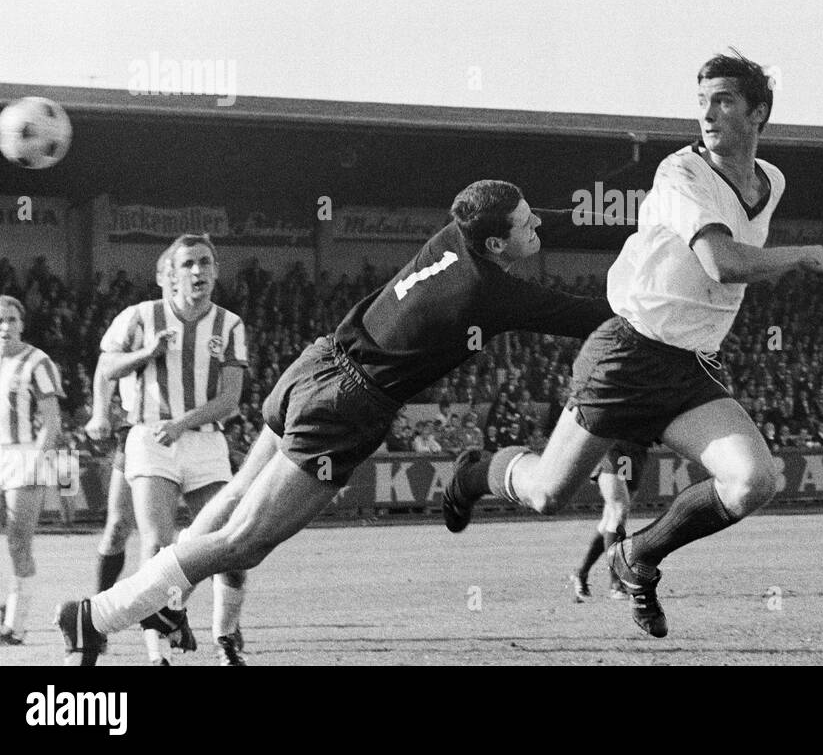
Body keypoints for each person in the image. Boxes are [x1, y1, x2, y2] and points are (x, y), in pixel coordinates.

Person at [56, 181, 613, 664]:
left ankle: (165, 603)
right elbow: (587, 315)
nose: (538, 222)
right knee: (243, 543)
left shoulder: (453, 236)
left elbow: (538, 222)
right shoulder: (490, 292)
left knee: (234, 500)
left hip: (313, 364)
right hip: (347, 405)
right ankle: (98, 615)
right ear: (495, 243)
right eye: (525, 222)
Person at [444, 50, 823, 638]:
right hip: (627, 352)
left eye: (724, 100)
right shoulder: (682, 172)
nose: (708, 113)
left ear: (759, 112)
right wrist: (801, 255)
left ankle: (637, 557)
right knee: (549, 493)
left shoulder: (770, 181)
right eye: (702, 101)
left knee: (754, 482)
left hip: (689, 365)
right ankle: (478, 472)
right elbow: (721, 263)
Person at [94, 235, 250, 666]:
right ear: (172, 273)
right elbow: (105, 367)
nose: (197, 271)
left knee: (231, 546)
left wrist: (182, 422)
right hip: (149, 439)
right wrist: (147, 353)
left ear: (216, 271)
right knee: (157, 543)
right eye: (188, 264)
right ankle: (157, 651)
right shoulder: (140, 316)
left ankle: (226, 635)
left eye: (205, 263)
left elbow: (231, 400)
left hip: (204, 441)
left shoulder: (230, 325)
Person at [84, 255, 172, 614]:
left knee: (211, 534)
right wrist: (100, 412)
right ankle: (97, 613)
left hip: (196, 436)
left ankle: (222, 624)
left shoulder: (218, 321)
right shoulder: (138, 317)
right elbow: (106, 368)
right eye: (172, 272)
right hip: (140, 433)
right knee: (119, 526)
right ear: (161, 276)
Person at [0, 296, 64, 646]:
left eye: (12, 320)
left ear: (22, 324)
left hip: (23, 455)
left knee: (17, 543)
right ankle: (3, 604)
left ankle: (15, 626)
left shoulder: (37, 362)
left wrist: (38, 461)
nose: (5, 327)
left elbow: (52, 422)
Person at [570, 441, 648, 602]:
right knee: (619, 510)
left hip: (635, 450)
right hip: (612, 447)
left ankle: (581, 573)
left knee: (610, 519)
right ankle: (616, 584)